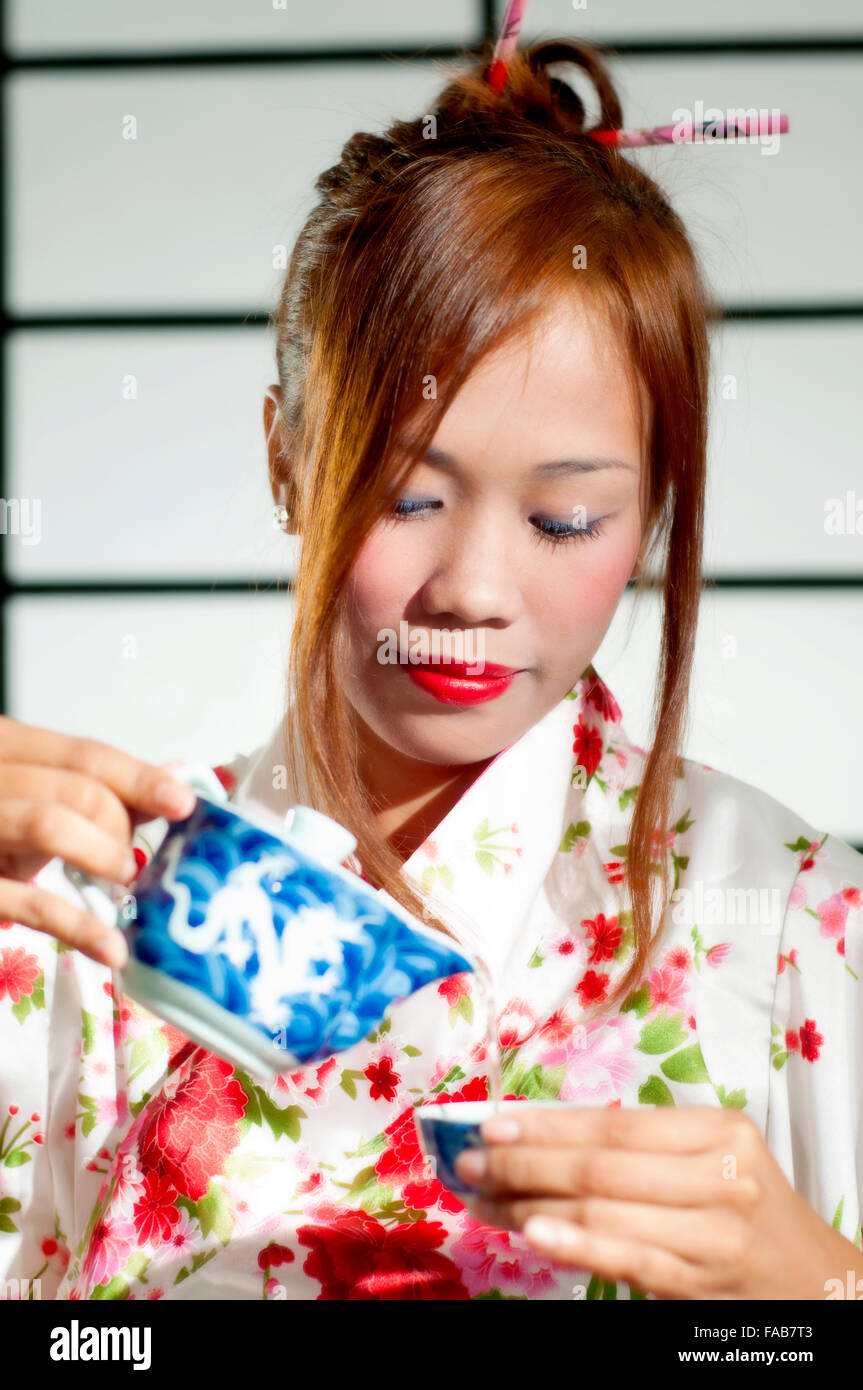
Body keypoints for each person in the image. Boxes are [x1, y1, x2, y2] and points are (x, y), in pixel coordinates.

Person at [0, 37, 861, 1302]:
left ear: (653, 510)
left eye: (564, 520)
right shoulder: (73, 922)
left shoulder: (796, 925)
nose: (471, 589)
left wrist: (815, 1299)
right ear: (286, 459)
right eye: (406, 495)